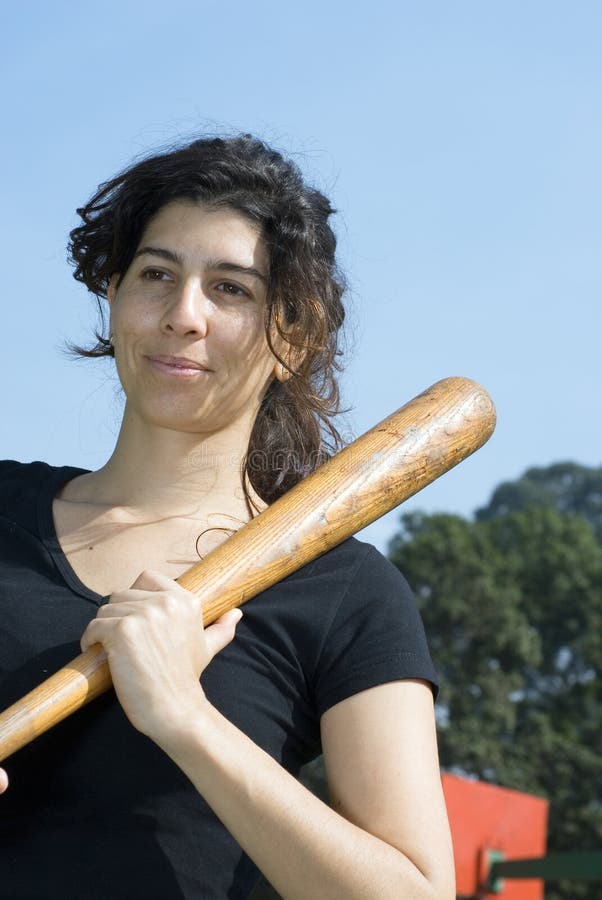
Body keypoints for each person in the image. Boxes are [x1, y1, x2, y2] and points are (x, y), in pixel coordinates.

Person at [0, 135, 455, 899]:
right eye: (156, 274)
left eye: (231, 289)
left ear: (293, 339)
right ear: (113, 295)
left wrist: (186, 717)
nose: (184, 315)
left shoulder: (347, 592)